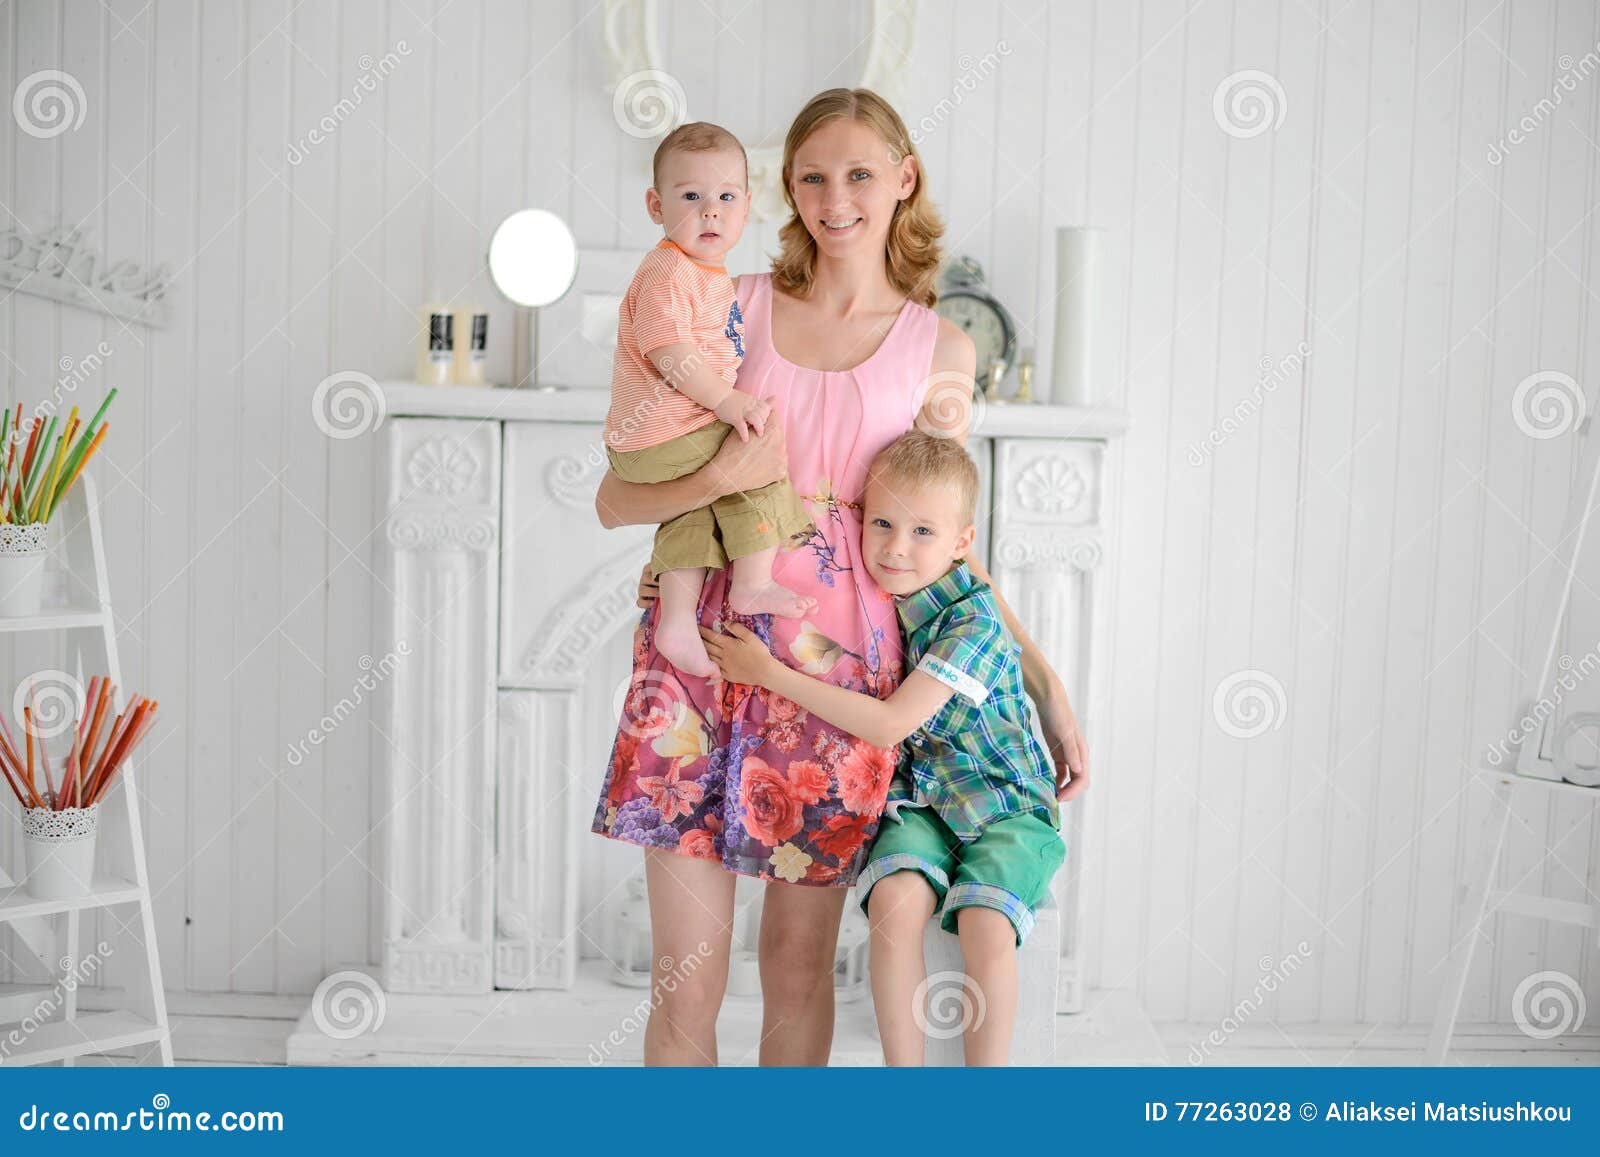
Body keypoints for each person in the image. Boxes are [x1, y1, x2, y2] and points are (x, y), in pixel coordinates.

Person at [591, 88, 1091, 1067]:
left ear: (903, 180)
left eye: (860, 172)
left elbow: (953, 547)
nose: (835, 197)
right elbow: (616, 496)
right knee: (686, 974)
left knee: (794, 964)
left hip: (835, 682)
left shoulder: (940, 352)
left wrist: (1044, 681)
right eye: (811, 175)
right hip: (696, 667)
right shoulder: (729, 308)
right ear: (787, 190)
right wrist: (714, 478)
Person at [701, 430, 1063, 1066]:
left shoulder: (972, 620)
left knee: (985, 921)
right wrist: (676, 583)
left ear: (961, 544)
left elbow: (892, 722)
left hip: (1000, 799)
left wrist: (767, 674)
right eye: (884, 523)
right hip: (920, 802)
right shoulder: (879, 601)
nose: (896, 547)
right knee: (894, 905)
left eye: (923, 532)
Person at [603, 120, 816, 679]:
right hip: (661, 431)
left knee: (695, 510)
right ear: (656, 205)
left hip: (666, 435)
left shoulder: (708, 274)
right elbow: (668, 349)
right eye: (691, 197)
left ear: (747, 206)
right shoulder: (668, 269)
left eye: (725, 198)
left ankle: (676, 619)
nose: (710, 212)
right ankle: (751, 582)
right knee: (756, 457)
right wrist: (729, 403)